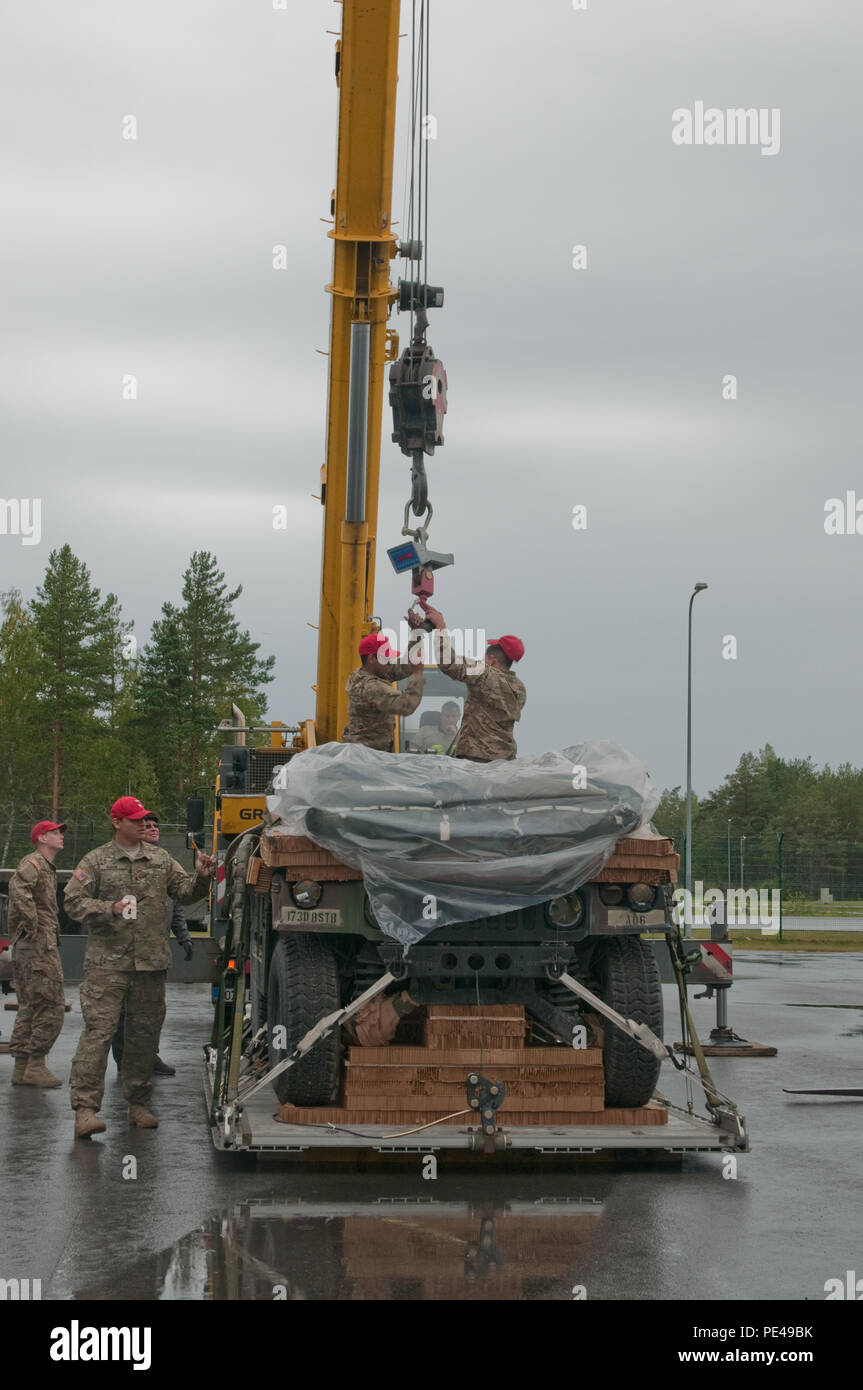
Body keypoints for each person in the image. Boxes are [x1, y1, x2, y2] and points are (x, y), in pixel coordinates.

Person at [64, 796, 215, 1139]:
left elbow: (187, 892)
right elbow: (73, 901)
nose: (143, 824)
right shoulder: (97, 860)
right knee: (98, 1035)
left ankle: (137, 1104)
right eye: (136, 820)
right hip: (107, 967)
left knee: (143, 1038)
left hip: (150, 965)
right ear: (117, 823)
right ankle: (85, 1110)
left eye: (145, 819)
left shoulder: (160, 859)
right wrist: (109, 908)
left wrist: (203, 877)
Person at [111, 814, 194, 1077]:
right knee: (125, 1011)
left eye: (156, 825)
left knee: (153, 1010)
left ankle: (149, 1057)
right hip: (127, 952)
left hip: (155, 952)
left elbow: (176, 903)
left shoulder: (163, 862)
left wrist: (183, 936)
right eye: (147, 826)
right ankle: (124, 1061)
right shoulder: (123, 862)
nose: (153, 829)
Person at [412, 604, 526, 761]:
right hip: (505, 761)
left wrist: (440, 626)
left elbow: (448, 662)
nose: (482, 662)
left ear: (492, 661)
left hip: (477, 760)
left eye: (484, 659)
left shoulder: (483, 673)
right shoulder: (519, 689)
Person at [7, 821, 67, 1088]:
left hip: (33, 944)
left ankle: (22, 1068)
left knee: (30, 1006)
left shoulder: (43, 866)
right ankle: (36, 1064)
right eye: (55, 832)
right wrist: (32, 923)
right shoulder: (34, 864)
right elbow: (18, 890)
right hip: (38, 945)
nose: (61, 836)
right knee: (51, 1005)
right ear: (42, 837)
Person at [342, 630, 425, 751]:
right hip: (367, 756)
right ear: (371, 659)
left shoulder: (364, 674)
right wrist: (417, 674)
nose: (389, 662)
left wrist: (416, 633)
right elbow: (406, 705)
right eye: (386, 658)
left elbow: (404, 666)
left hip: (363, 752)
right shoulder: (371, 687)